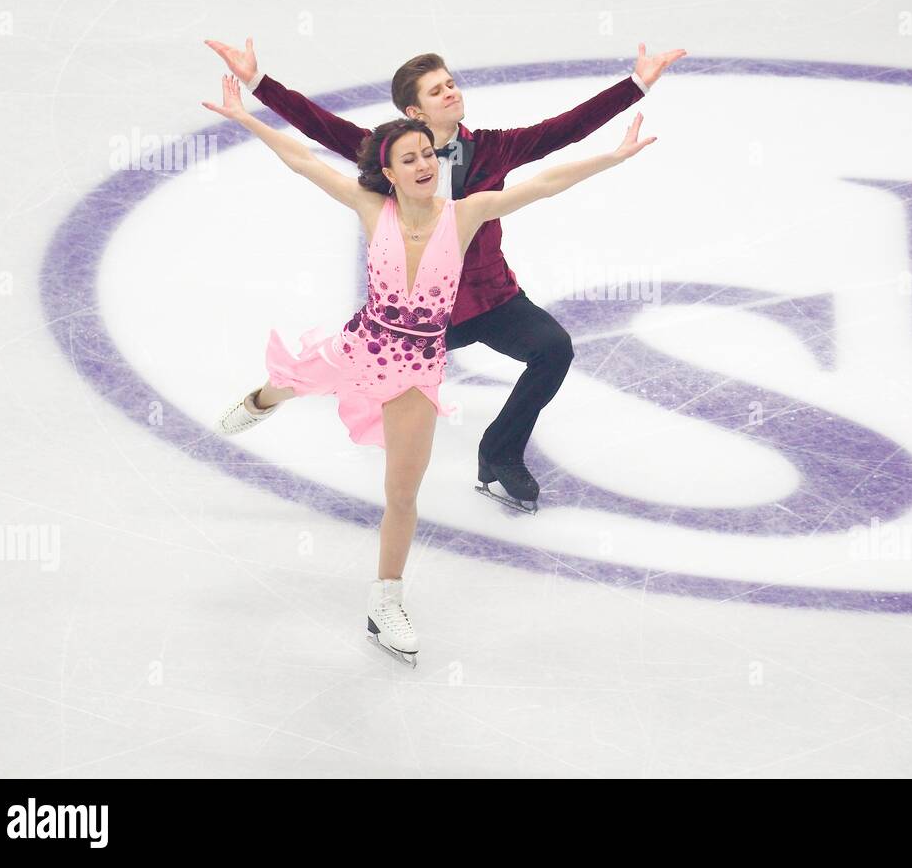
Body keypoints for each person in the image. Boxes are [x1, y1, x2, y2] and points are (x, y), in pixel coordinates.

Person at [201, 74, 658, 667]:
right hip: (363, 343)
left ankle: (385, 600)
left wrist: (613, 157)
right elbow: (299, 158)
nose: (423, 165)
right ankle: (261, 401)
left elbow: (546, 182)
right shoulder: (371, 206)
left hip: (417, 367)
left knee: (402, 492)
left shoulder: (465, 215)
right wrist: (246, 119)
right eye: (409, 158)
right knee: (290, 381)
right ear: (388, 172)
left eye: (427, 155)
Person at [205, 37, 685, 510]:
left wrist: (635, 85)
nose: (451, 92)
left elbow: (565, 130)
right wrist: (257, 82)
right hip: (417, 318)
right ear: (415, 113)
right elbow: (318, 128)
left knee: (553, 349)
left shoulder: (496, 150)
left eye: (450, 84)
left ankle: (500, 454)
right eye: (437, 91)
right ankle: (265, 398)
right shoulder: (389, 152)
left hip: (493, 298)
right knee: (334, 374)